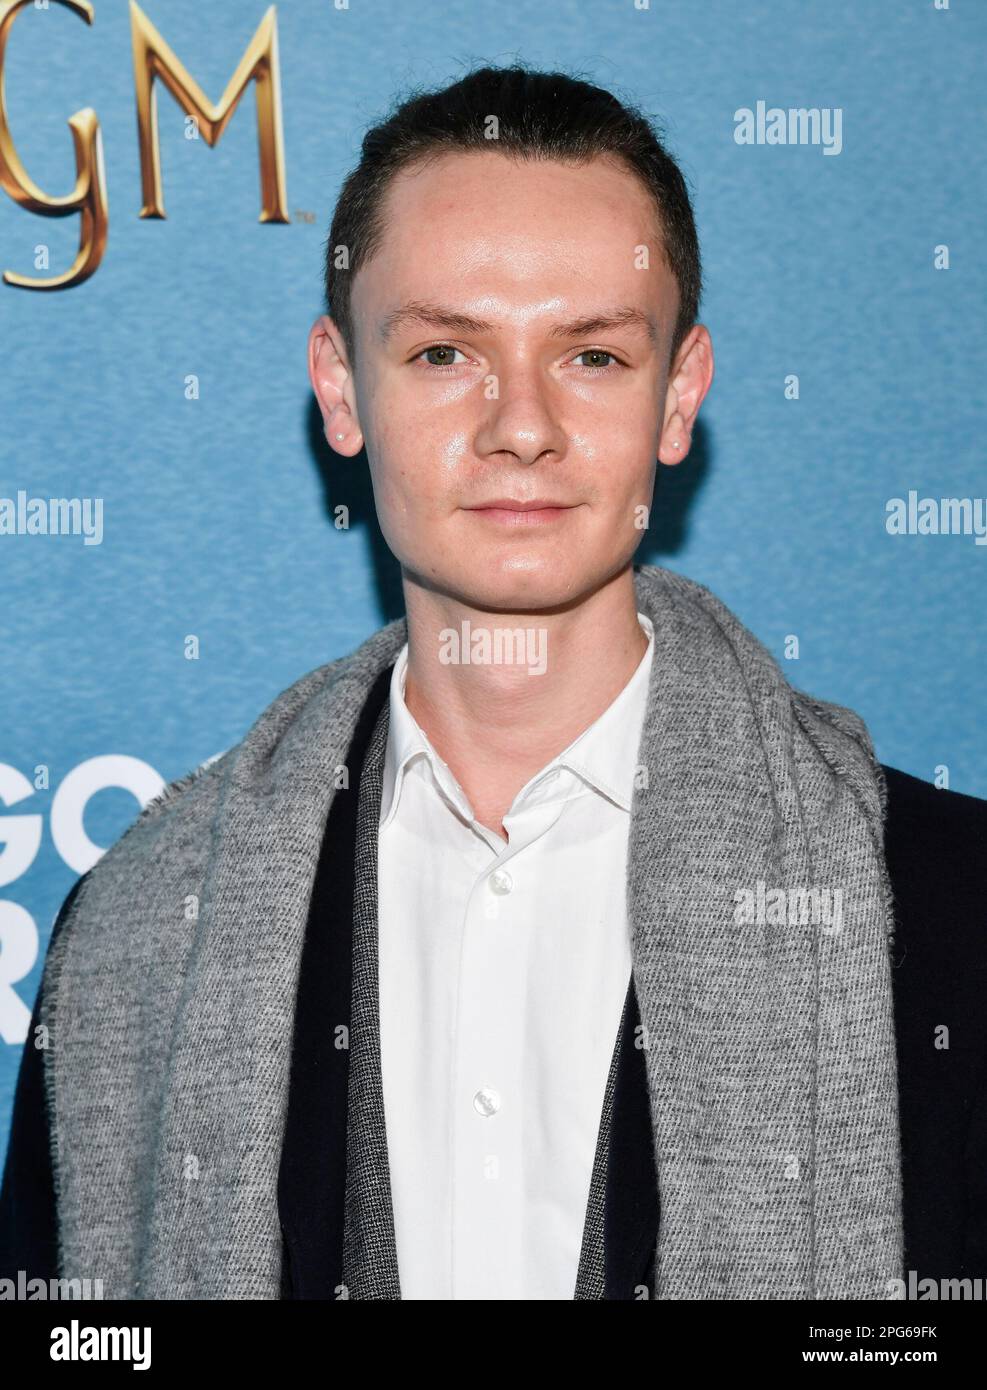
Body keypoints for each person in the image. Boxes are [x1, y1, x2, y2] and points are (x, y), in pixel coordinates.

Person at [2, 64, 985, 1302]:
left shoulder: (948, 916)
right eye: (444, 350)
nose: (521, 423)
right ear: (340, 388)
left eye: (591, 357)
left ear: (679, 397)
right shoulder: (141, 933)